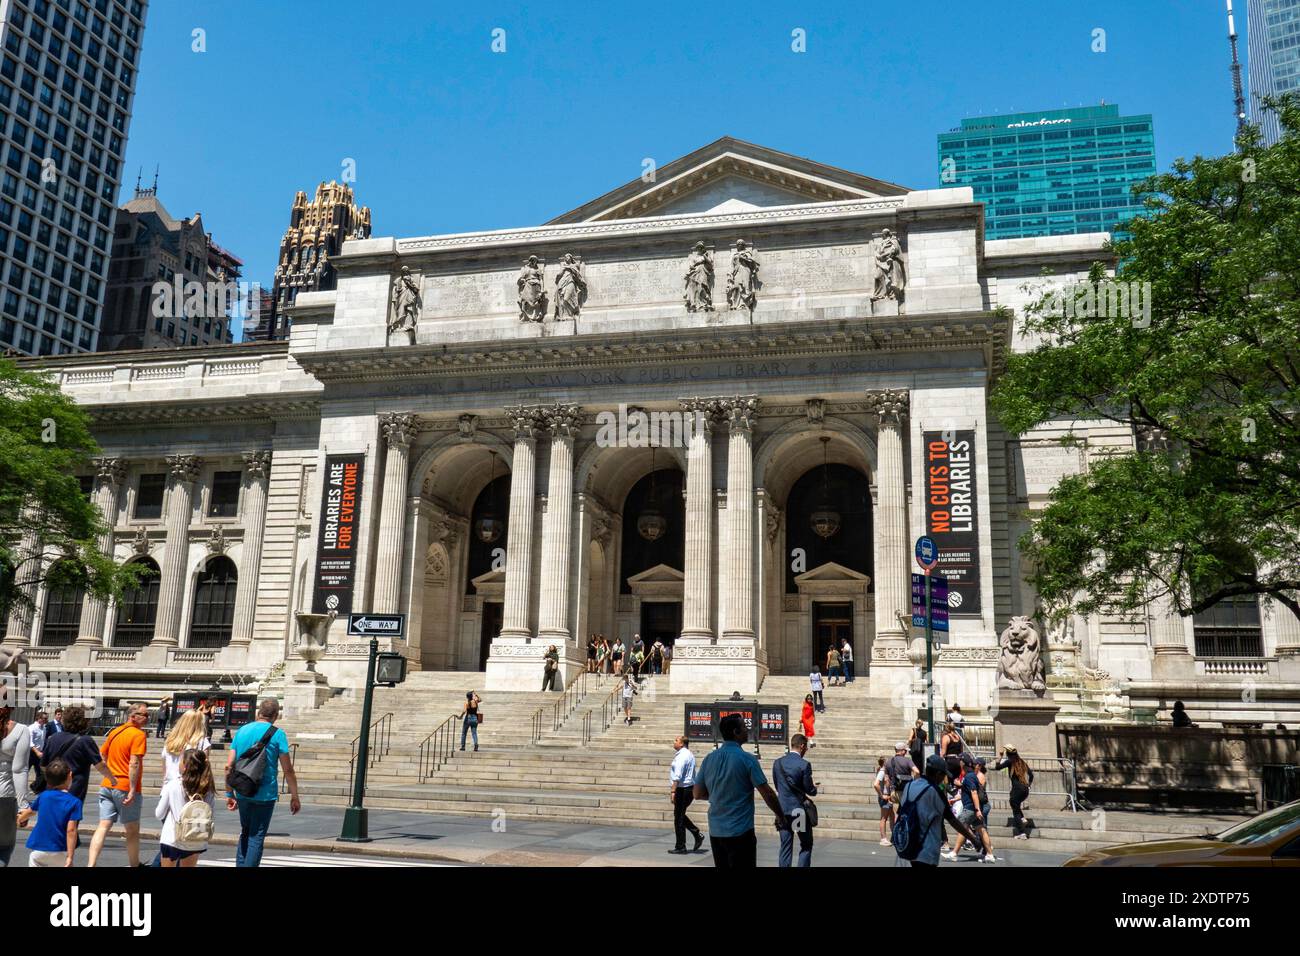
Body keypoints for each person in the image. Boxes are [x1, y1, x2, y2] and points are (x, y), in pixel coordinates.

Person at [693, 714, 785, 868]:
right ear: (736, 732)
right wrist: (780, 816)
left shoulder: (709, 758)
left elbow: (697, 793)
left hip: (716, 831)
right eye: (744, 727)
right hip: (740, 831)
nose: (747, 730)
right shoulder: (747, 759)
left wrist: (718, 793)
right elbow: (767, 793)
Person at [224, 698, 300, 868]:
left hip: (243, 790)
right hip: (265, 793)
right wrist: (294, 796)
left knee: (245, 833)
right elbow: (288, 769)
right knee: (256, 836)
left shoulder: (242, 730)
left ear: (258, 712)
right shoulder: (278, 734)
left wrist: (229, 793)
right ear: (276, 715)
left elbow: (228, 766)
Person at [87, 702, 149, 867]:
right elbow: (134, 763)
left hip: (108, 784)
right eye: (144, 715)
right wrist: (133, 789)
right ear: (133, 716)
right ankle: (135, 864)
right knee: (132, 829)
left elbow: (101, 754)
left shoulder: (115, 731)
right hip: (124, 786)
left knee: (103, 825)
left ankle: (91, 864)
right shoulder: (138, 735)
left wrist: (108, 771)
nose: (147, 718)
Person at [895, 754, 977, 867]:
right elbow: (953, 821)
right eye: (943, 775)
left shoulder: (909, 786)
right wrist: (973, 839)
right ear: (938, 774)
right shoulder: (934, 791)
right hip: (927, 851)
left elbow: (900, 812)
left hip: (908, 846)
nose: (944, 778)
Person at [38, 705, 113, 814]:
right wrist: (112, 779)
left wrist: (53, 779)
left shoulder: (53, 738)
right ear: (84, 722)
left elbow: (43, 765)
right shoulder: (85, 741)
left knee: (52, 820)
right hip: (75, 789)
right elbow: (100, 765)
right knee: (70, 824)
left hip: (52, 788)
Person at [155, 749, 215, 867]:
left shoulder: (173, 785)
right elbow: (210, 813)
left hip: (173, 837)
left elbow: (159, 814)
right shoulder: (207, 788)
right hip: (195, 837)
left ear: (185, 766)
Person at [18, 759, 83, 867]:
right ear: (70, 776)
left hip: (39, 848)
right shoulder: (74, 802)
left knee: (35, 860)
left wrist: (20, 818)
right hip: (60, 849)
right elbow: (71, 830)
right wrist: (70, 857)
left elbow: (30, 812)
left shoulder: (44, 796)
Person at [773, 733, 818, 867]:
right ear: (802, 746)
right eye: (806, 748)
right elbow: (809, 789)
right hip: (798, 811)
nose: (806, 751)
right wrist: (814, 789)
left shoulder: (778, 763)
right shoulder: (804, 765)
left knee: (785, 846)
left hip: (782, 810)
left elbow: (777, 786)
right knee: (806, 844)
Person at [946, 754, 997, 863]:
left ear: (963, 762)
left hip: (970, 808)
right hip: (973, 807)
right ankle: (989, 854)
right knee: (981, 829)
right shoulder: (971, 775)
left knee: (961, 826)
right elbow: (969, 792)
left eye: (960, 760)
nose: (959, 762)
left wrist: (977, 809)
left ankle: (955, 852)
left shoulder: (969, 776)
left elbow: (974, 793)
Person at [0, 705, 31, 867]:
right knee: (4, 847)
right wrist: (23, 805)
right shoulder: (20, 730)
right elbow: (19, 770)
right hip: (5, 796)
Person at [668, 735, 705, 854]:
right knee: (679, 815)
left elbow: (677, 775)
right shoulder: (688, 754)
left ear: (682, 744)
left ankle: (681, 846)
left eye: (676, 740)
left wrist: (673, 791)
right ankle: (696, 833)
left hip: (682, 789)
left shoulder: (682, 756)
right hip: (688, 789)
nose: (674, 742)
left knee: (678, 818)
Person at [991, 746, 1034, 839]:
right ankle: (1022, 818)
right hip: (1025, 790)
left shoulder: (1010, 761)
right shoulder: (1022, 762)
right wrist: (1029, 784)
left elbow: (997, 767)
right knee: (1016, 805)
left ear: (1008, 755)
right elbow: (1031, 775)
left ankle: (1022, 833)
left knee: (1015, 811)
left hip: (1017, 790)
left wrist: (1000, 756)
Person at [162, 709, 211, 784]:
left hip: (169, 785)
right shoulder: (202, 742)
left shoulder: (170, 740)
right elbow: (204, 768)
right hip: (189, 786)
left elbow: (165, 769)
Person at [873, 756, 895, 846]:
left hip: (888, 797)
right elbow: (876, 784)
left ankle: (894, 837)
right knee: (884, 818)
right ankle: (883, 838)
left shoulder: (884, 771)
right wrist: (882, 796)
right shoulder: (882, 772)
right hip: (885, 798)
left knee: (892, 817)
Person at [26, 710, 47, 790]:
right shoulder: (31, 728)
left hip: (40, 753)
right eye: (44, 718)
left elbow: (42, 741)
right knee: (25, 772)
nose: (46, 720)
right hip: (31, 753)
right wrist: (37, 751)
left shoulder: (44, 728)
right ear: (39, 718)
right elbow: (30, 742)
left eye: (46, 718)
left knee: (41, 773)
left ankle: (35, 787)